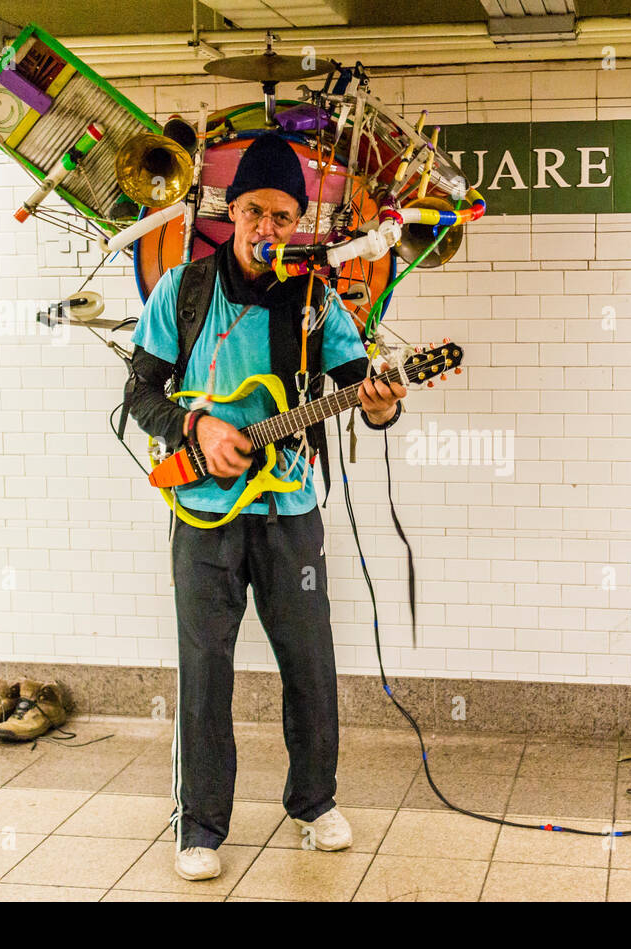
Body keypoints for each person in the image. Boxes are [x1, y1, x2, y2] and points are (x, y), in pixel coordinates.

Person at [125, 132, 406, 881]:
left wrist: (382, 403)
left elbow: (364, 392)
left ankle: (314, 804)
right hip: (202, 512)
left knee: (310, 662)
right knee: (204, 669)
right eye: (255, 211)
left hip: (290, 508)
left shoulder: (316, 300)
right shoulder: (182, 291)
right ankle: (199, 825)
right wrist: (197, 426)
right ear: (233, 211)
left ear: (300, 222)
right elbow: (138, 395)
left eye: (283, 216)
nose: (266, 228)